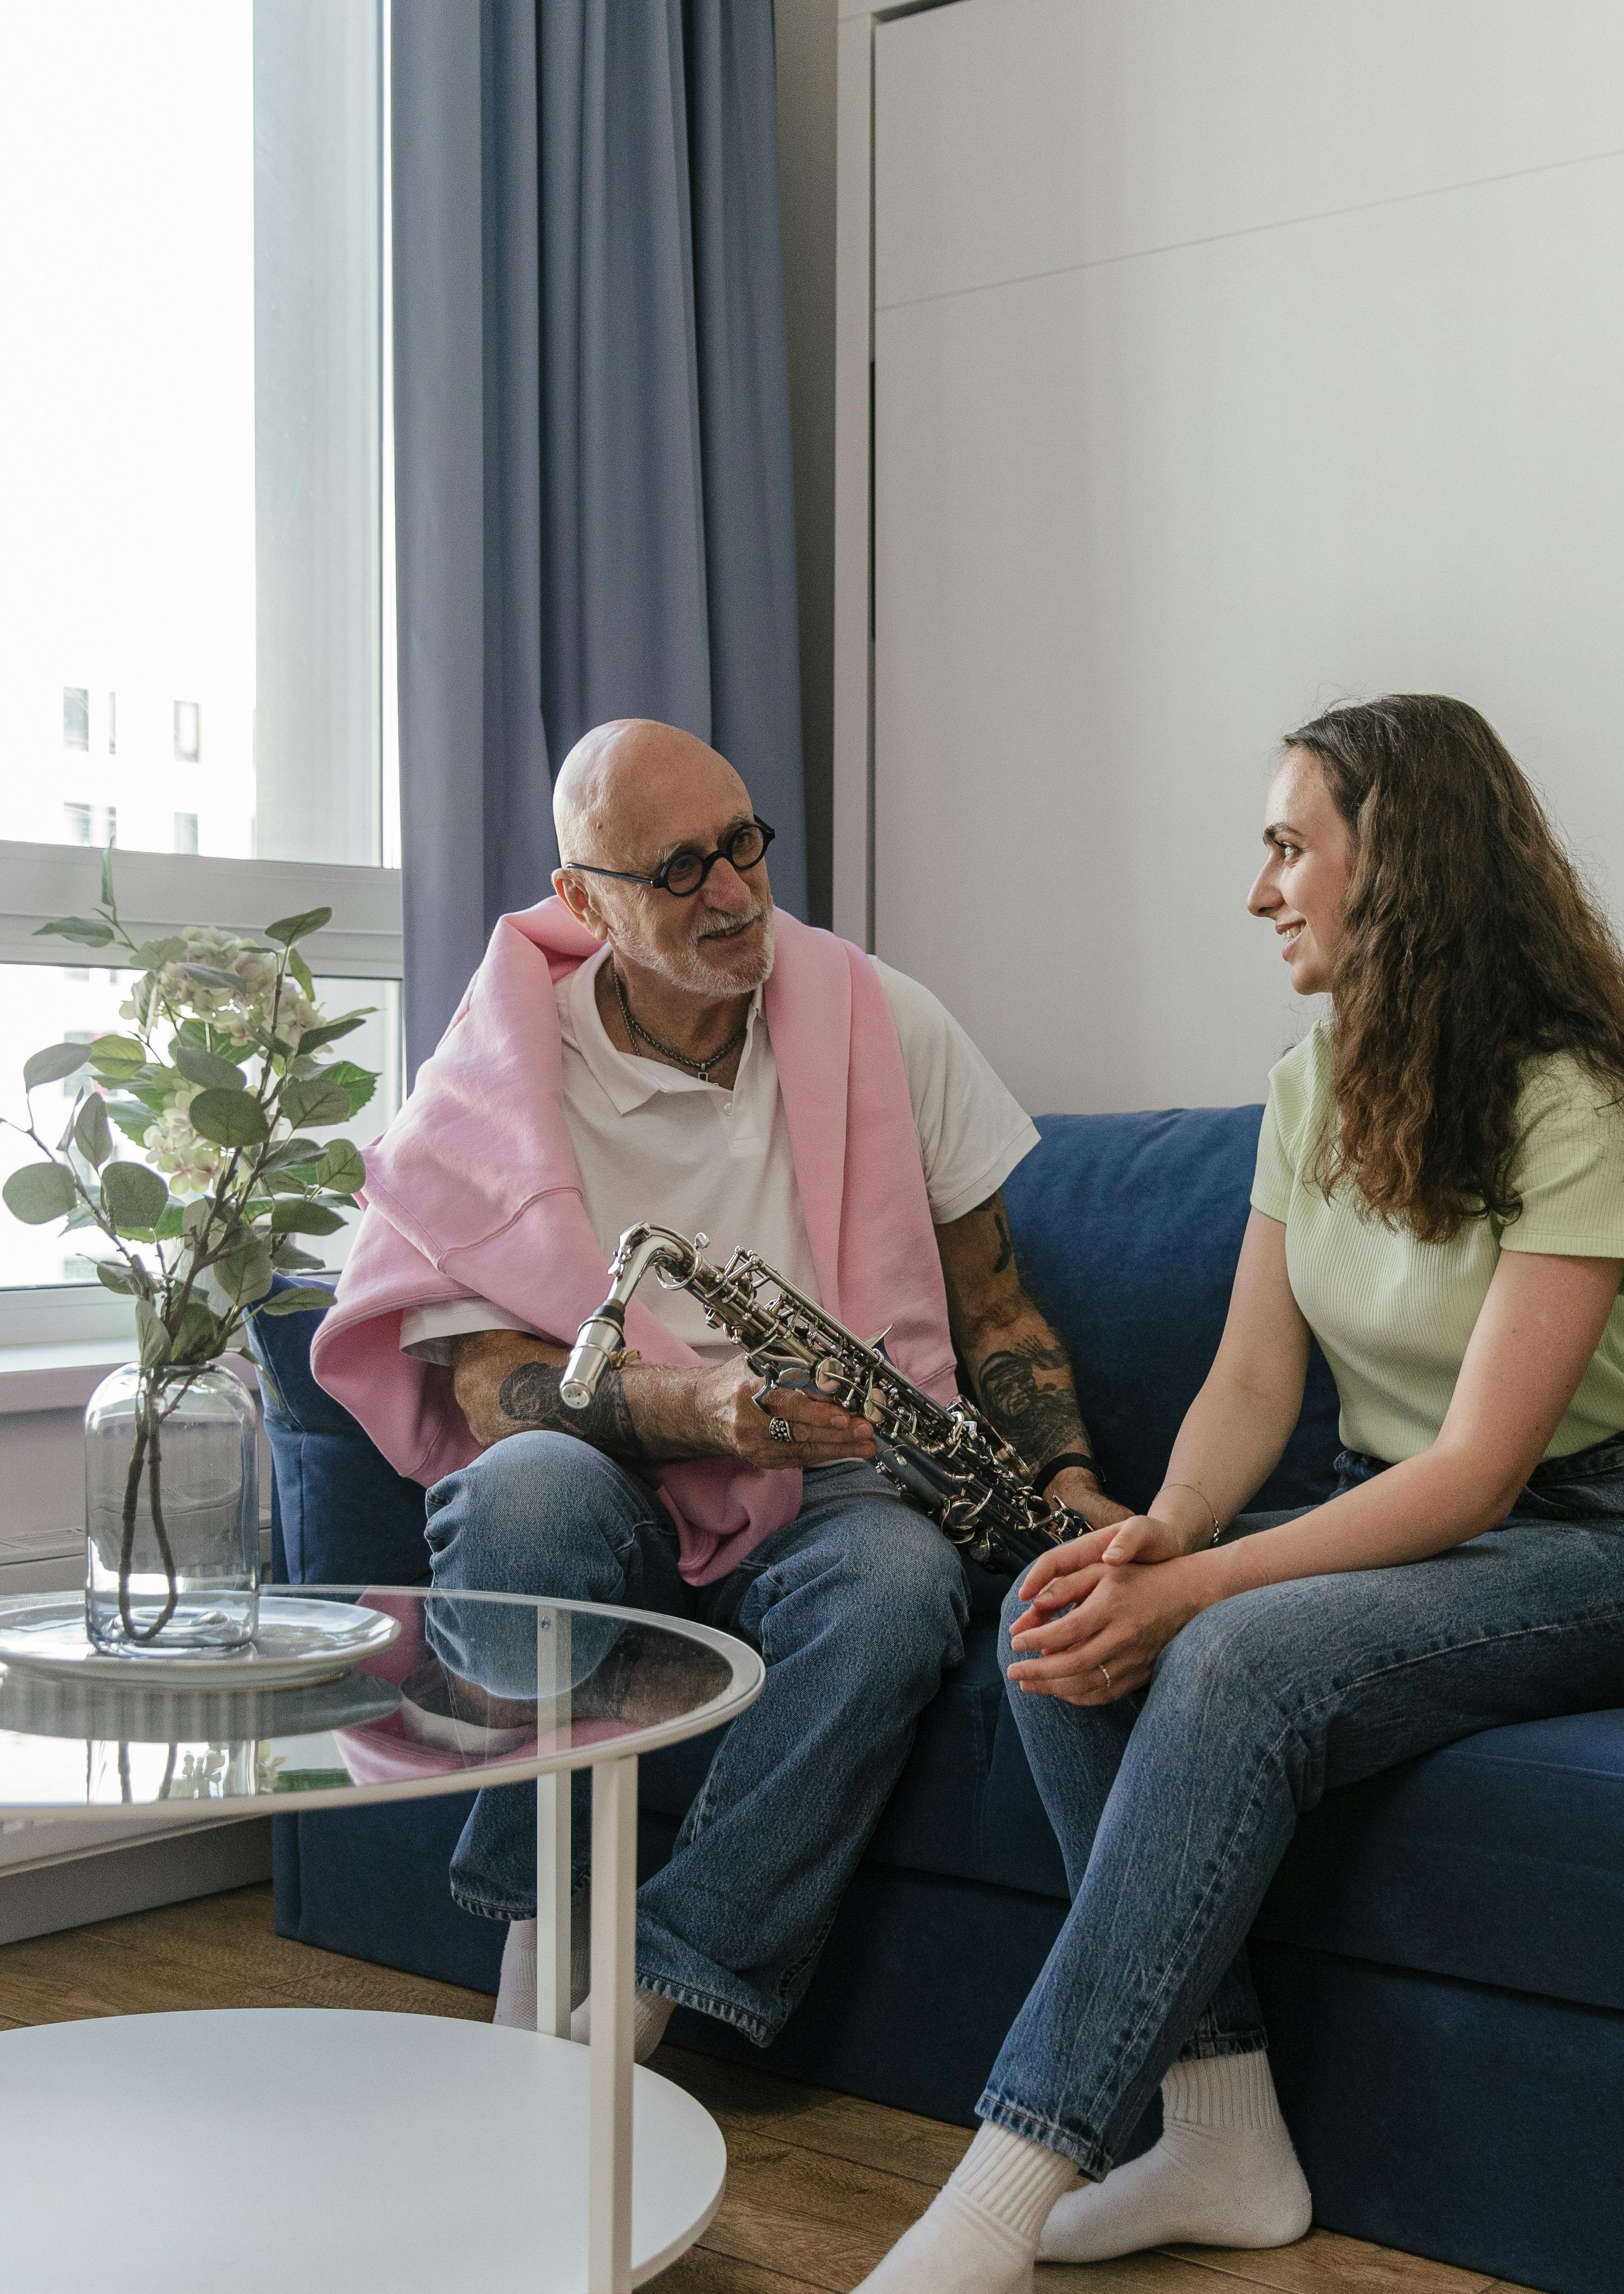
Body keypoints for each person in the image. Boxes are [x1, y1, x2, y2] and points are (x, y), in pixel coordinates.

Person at [768, 692, 1624, 2294]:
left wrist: (1205, 1590)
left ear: (1401, 866)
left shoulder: (1572, 1103)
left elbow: (1479, 1471)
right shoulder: (1315, 1084)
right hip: (1387, 1509)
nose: (1261, 886)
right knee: (1066, 1620)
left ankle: (995, 2207)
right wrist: (1158, 1533)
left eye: (1292, 845)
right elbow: (1250, 1377)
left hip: (1582, 1540)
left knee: (1223, 1651)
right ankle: (1221, 2137)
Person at [316, 718, 1126, 2056]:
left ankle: (645, 1989)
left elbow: (993, 1305)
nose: (735, 894)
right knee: (521, 1498)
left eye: (743, 843)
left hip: (838, 1482)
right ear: (583, 900)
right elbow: (492, 1392)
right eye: (679, 870)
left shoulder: (882, 1017)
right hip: (609, 1482)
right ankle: (538, 1948)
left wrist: (1073, 1485)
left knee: (902, 1584)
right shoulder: (499, 1075)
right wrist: (700, 1411)